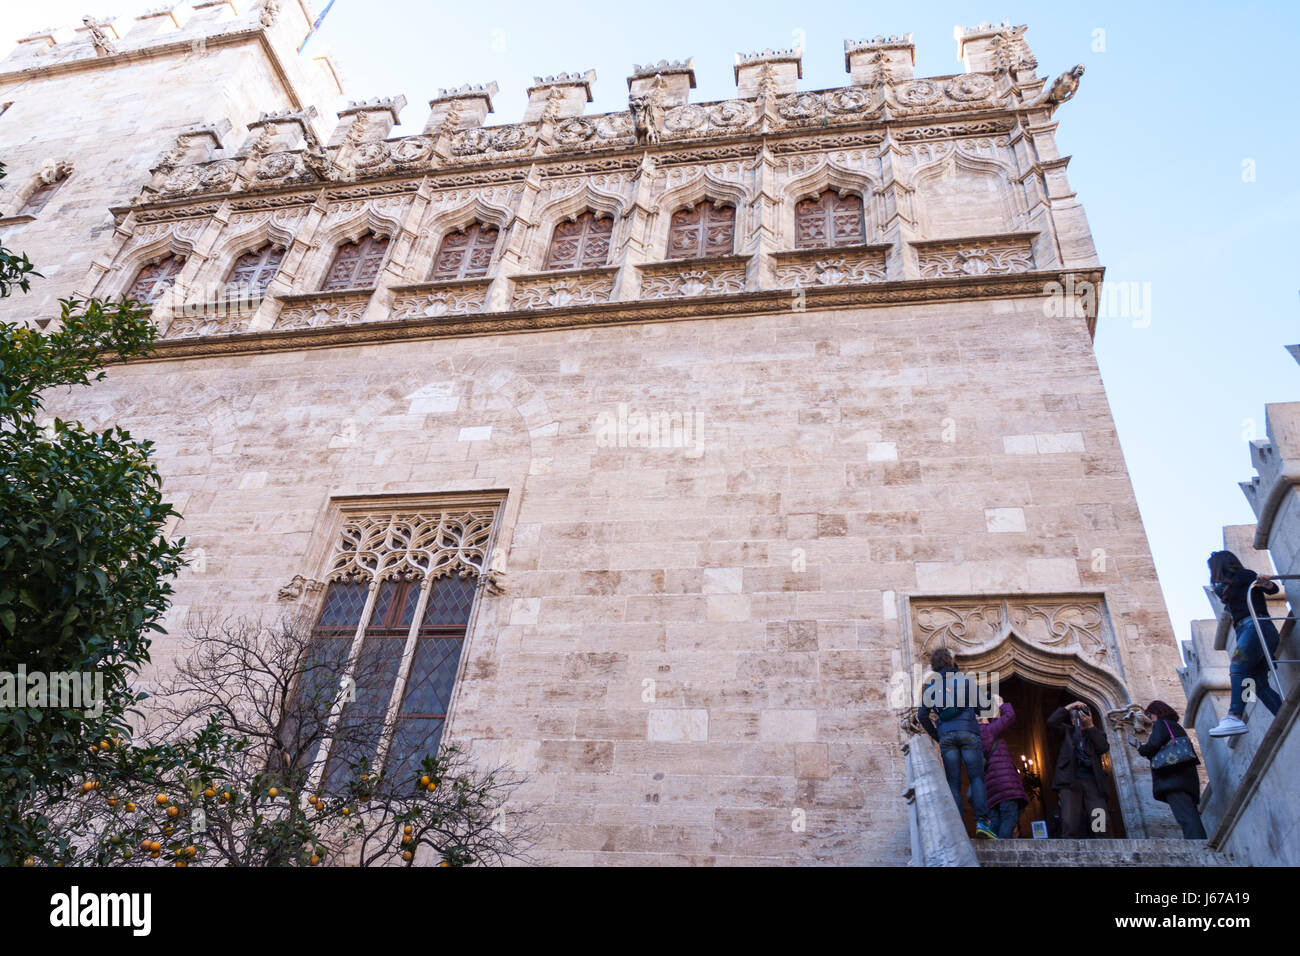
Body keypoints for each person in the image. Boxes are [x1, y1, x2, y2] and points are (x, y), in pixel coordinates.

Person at [917, 647, 996, 839]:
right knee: (976, 778)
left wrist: (937, 735)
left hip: (946, 735)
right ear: (951, 662)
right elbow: (985, 707)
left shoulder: (931, 687)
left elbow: (922, 716)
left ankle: (956, 828)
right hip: (969, 732)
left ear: (934, 667)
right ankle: (981, 823)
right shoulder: (964, 680)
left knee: (953, 782)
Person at [1206, 550, 1283, 737]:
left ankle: (1234, 715)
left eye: (1212, 568)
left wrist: (1265, 582)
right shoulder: (1225, 588)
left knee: (1237, 667)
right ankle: (1284, 718)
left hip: (1256, 626)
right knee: (1258, 684)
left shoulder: (1245, 575)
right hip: (1245, 631)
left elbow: (1272, 589)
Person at [1132, 700, 1206, 839]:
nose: (1150, 718)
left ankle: (1197, 843)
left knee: (1185, 815)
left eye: (1150, 714)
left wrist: (1140, 747)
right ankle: (1198, 839)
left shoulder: (1161, 724)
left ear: (1156, 712)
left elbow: (1153, 746)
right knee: (1190, 812)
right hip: (1186, 776)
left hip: (1173, 778)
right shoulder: (1175, 726)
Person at [1048, 700, 1111, 838]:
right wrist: (1069, 706)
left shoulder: (1095, 733)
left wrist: (1090, 726)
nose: (1079, 718)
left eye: (1083, 715)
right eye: (1076, 716)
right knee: (1070, 819)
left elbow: (1103, 747)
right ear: (1071, 720)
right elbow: (1052, 722)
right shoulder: (1067, 732)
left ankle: (1103, 844)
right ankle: (1070, 846)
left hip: (1093, 781)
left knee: (1098, 815)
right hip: (1070, 780)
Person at [979, 698, 1027, 839]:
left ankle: (994, 850)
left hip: (992, 788)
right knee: (1009, 817)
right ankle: (1002, 848)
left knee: (996, 821)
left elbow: (997, 724)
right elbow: (1009, 716)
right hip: (1005, 784)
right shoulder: (987, 731)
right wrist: (1001, 704)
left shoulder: (978, 735)